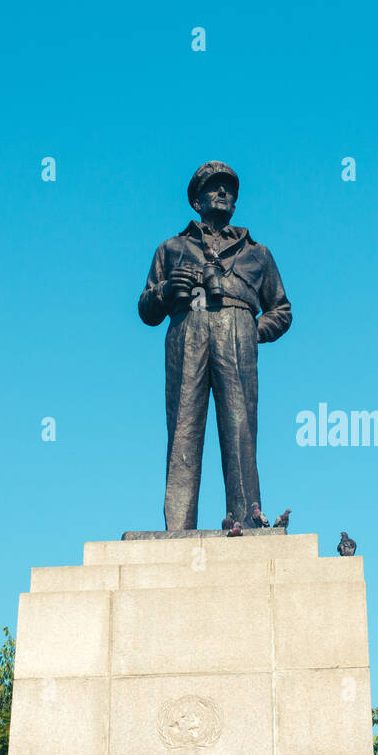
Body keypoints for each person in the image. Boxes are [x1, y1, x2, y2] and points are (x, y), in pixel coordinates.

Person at [138, 162, 293, 530]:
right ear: (196, 200)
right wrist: (164, 291)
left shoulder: (258, 253)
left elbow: (282, 309)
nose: (223, 193)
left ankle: (246, 520)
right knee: (183, 429)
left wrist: (252, 331)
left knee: (240, 431)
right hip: (186, 330)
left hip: (238, 332)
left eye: (229, 188)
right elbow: (146, 309)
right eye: (213, 187)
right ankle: (177, 526)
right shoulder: (171, 248)